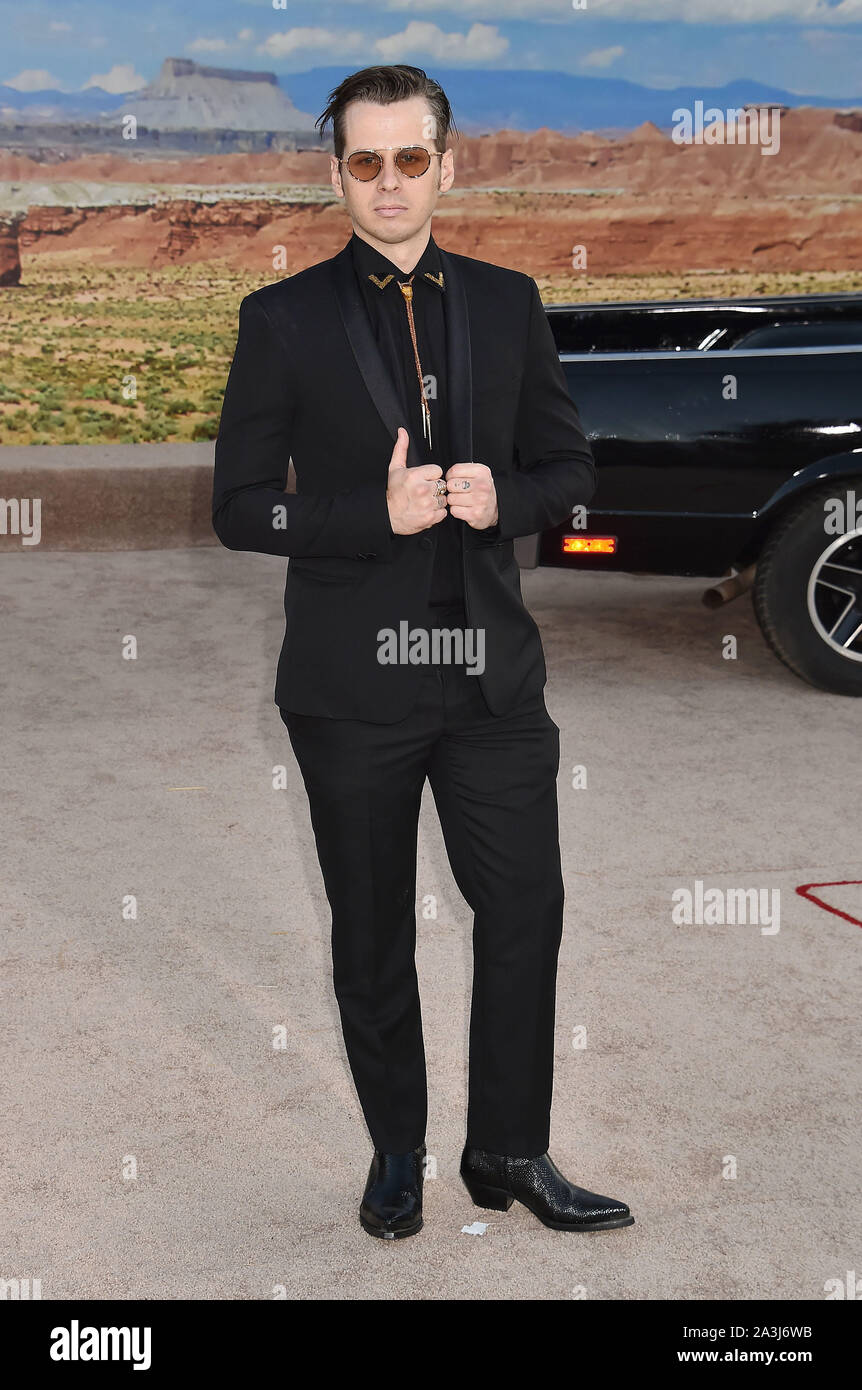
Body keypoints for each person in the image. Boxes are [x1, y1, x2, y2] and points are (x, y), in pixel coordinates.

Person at [212, 63, 634, 1240]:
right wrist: (365, 515)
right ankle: (396, 1150)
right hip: (352, 692)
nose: (389, 183)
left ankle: (508, 1146)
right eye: (364, 161)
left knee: (525, 912)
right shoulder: (281, 319)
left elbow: (570, 475)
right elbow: (240, 507)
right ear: (334, 172)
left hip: (492, 680)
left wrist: (505, 495)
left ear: (447, 166)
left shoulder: (508, 302)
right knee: (372, 928)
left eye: (411, 159)